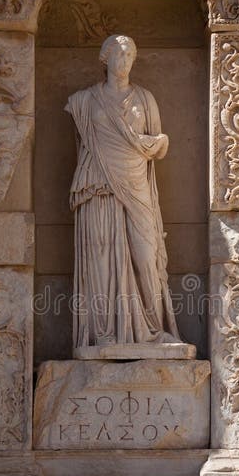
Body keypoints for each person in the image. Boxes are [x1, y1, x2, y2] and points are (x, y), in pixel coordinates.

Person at [65, 34, 183, 352]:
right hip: (98, 184)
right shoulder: (84, 101)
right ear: (105, 58)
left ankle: (154, 330)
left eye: (130, 54)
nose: (125, 60)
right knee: (101, 260)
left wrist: (157, 143)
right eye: (119, 53)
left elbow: (157, 143)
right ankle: (103, 334)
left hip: (135, 185)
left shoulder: (145, 99)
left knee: (146, 257)